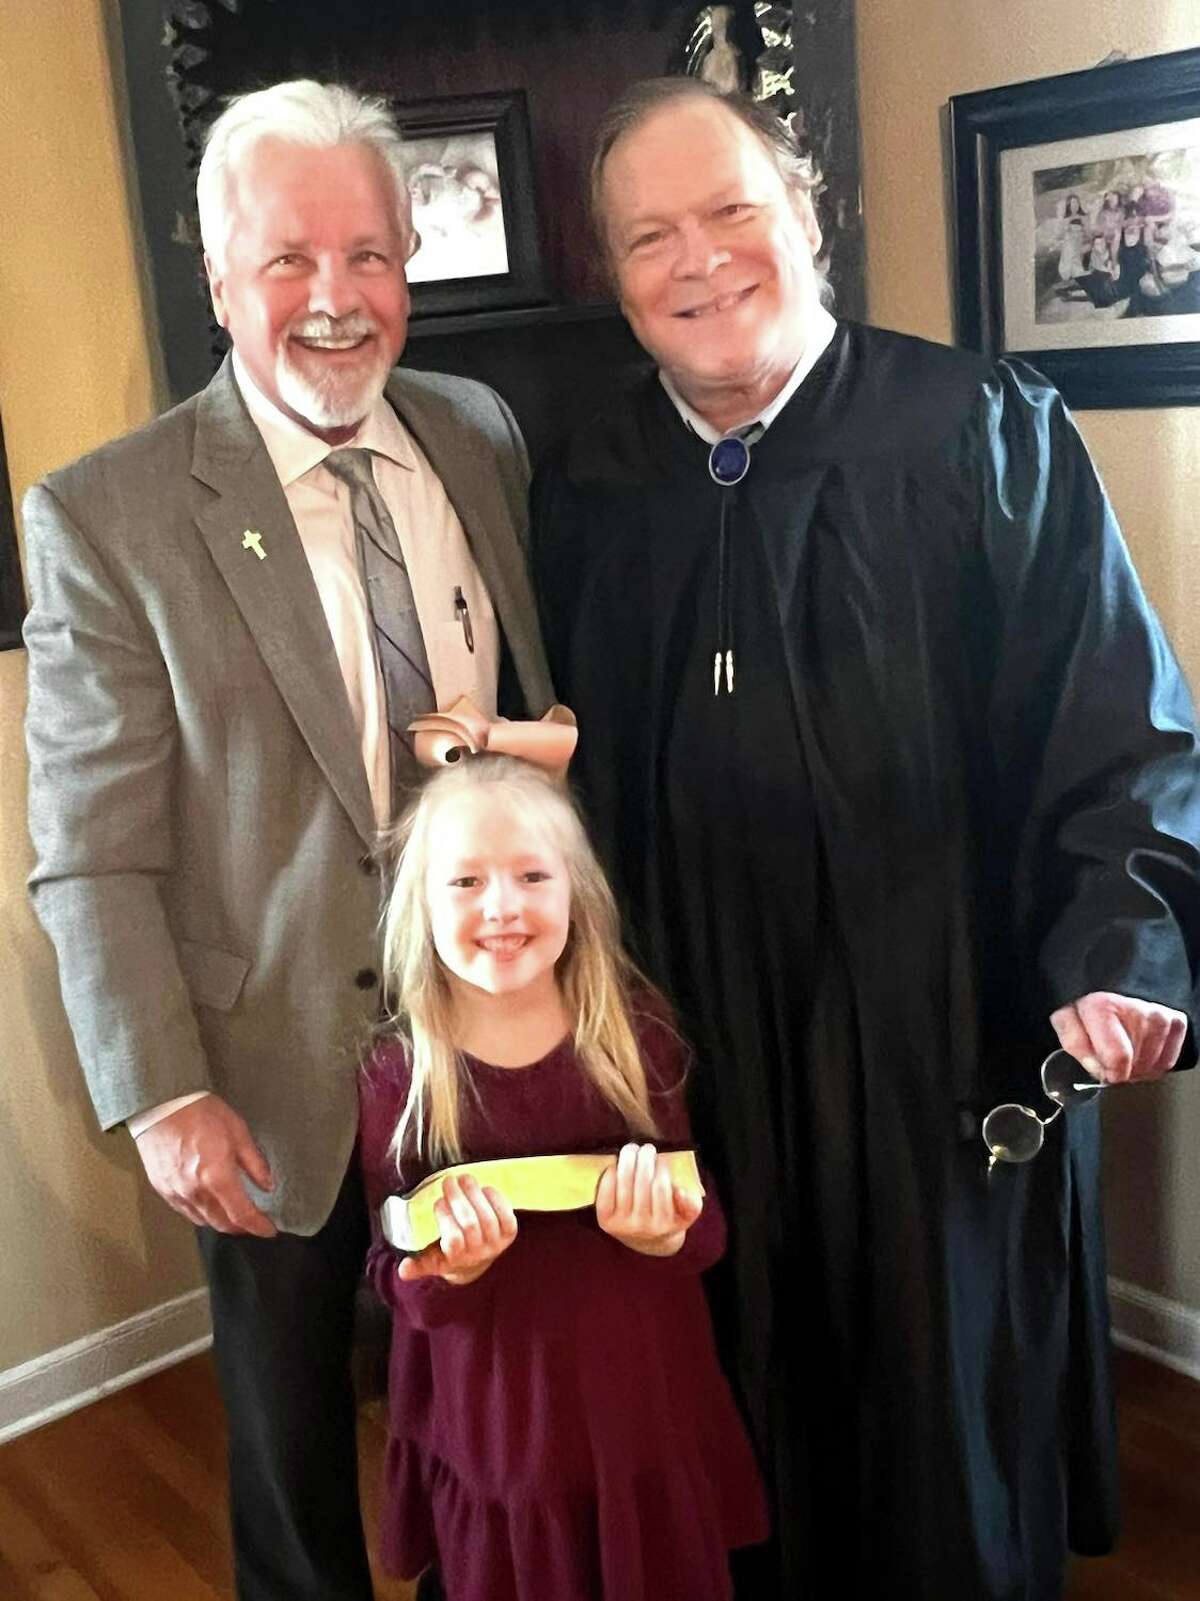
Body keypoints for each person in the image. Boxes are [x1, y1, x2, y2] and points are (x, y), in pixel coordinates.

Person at [530, 76, 1200, 1599]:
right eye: (650, 237)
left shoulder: (975, 428)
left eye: (730, 212)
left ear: (806, 215)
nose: (698, 261)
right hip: (692, 1041)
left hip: (932, 1034)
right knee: (726, 1388)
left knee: (937, 1414)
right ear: (614, 274)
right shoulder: (587, 482)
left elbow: (1121, 729)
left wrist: (1122, 942)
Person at [22, 80, 552, 1601]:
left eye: (372, 255)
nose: (338, 301)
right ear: (216, 279)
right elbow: (91, 850)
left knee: (491, 1405)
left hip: (490, 1024)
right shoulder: (108, 517)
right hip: (264, 1073)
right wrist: (165, 1091)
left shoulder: (477, 433)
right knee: (295, 1450)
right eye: (289, 260)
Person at [357, 752, 767, 1600]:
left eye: (531, 875)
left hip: (637, 1395)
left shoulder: (638, 1038)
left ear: (576, 893)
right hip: (502, 1416)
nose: (501, 906)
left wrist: (666, 1231)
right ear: (420, 905)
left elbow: (704, 1223)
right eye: (465, 881)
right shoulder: (399, 1075)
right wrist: (449, 1268)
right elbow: (390, 1268)